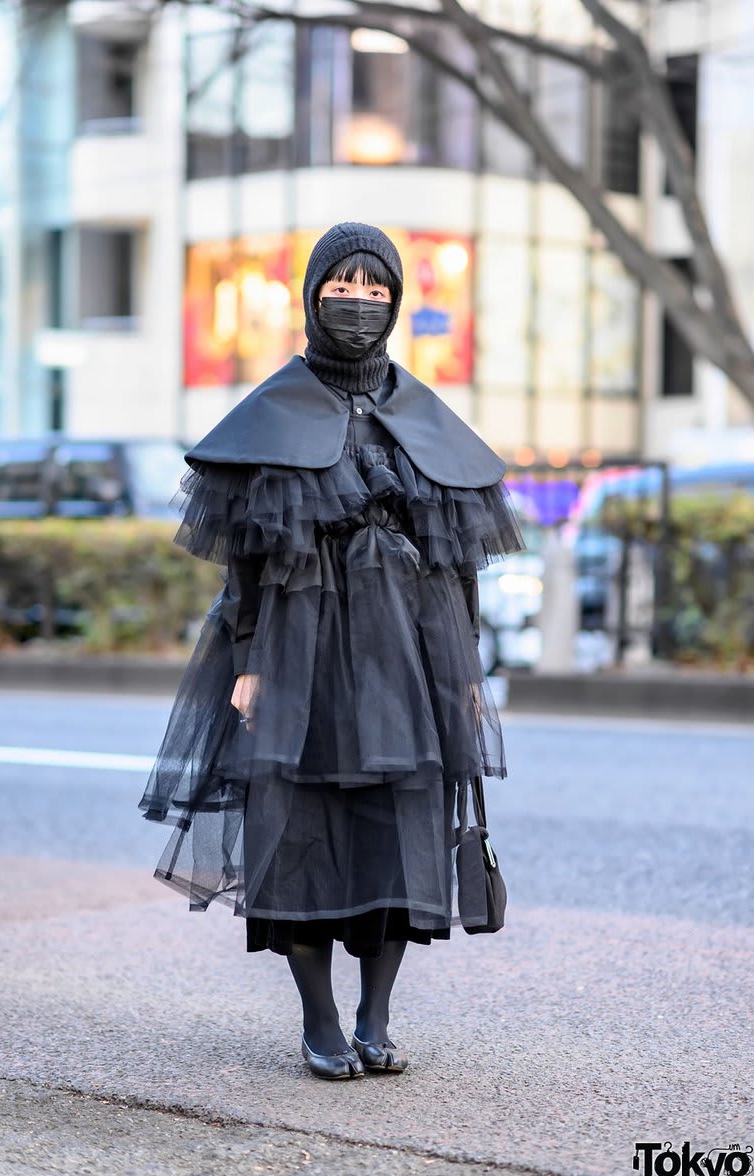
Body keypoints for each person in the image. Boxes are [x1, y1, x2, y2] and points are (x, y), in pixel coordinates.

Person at [139, 223, 525, 1081]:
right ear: (314, 295)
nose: (361, 302)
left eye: (379, 289)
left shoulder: (421, 414)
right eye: (344, 286)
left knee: (402, 830)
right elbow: (245, 561)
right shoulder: (271, 412)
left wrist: (465, 670)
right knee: (300, 829)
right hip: (298, 645)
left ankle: (376, 1018)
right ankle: (320, 1020)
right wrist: (246, 659)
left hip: (411, 652)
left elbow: (457, 558)